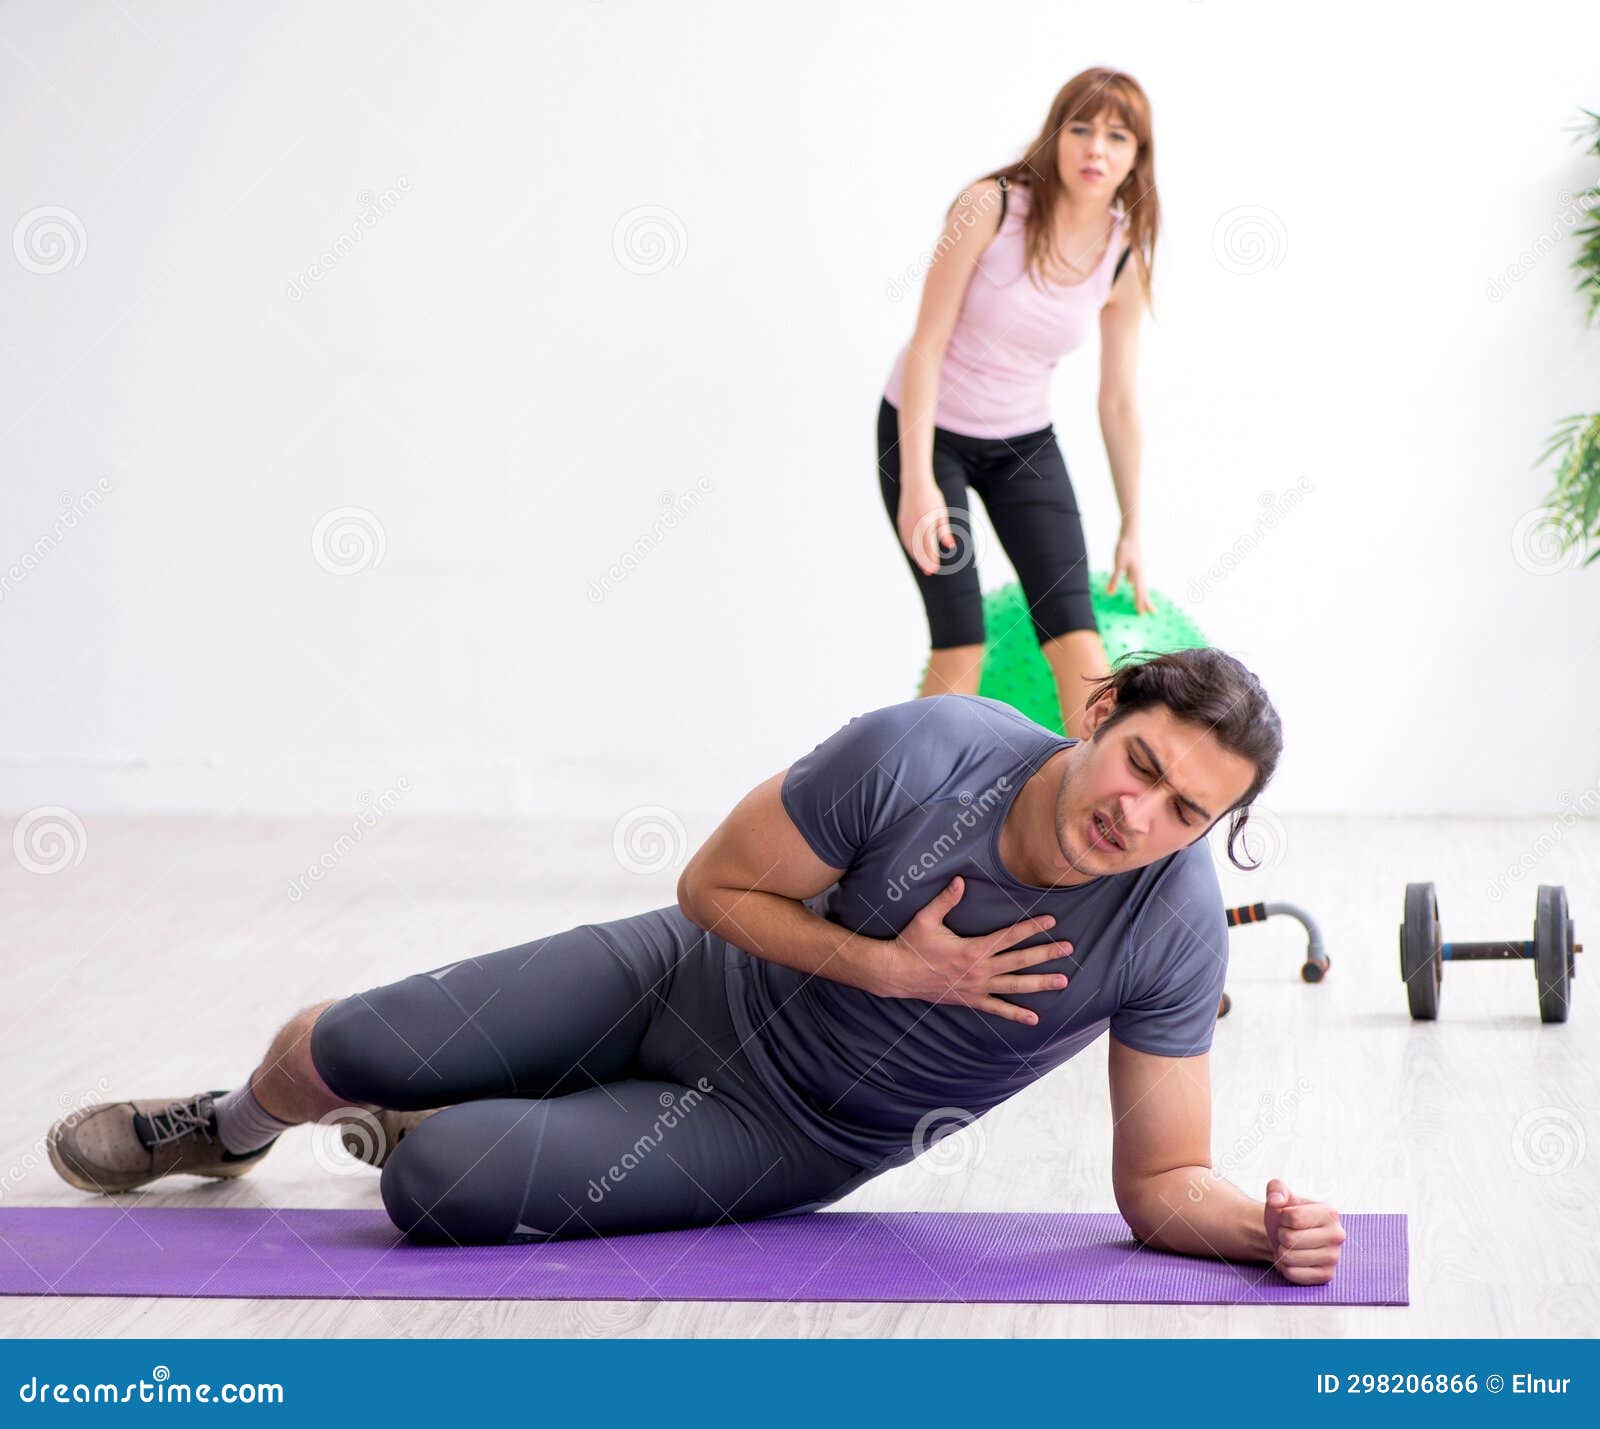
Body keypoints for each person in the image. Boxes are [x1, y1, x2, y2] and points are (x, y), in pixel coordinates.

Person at [46, 647, 1346, 1285]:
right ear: (1101, 712)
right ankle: (223, 1130)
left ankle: (445, 1121)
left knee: (436, 1185)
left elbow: (1164, 1177)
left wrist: (1259, 1231)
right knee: (337, 1049)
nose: (1142, 815)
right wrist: (886, 969)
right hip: (684, 973)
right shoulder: (925, 749)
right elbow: (710, 888)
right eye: (1145, 766)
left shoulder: (1169, 924)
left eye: (1188, 812)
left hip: (784, 1128)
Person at [881, 67, 1160, 736]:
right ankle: (904, 814)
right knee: (962, 641)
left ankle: (1085, 824)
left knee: (1081, 647)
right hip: (926, 432)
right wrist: (918, 482)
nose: (1097, 148)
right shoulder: (991, 207)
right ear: (1055, 137)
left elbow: (1118, 400)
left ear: (1135, 159)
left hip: (1022, 444)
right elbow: (926, 345)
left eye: (1117, 136)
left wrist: (1132, 524)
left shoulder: (1124, 261)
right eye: (1082, 128)